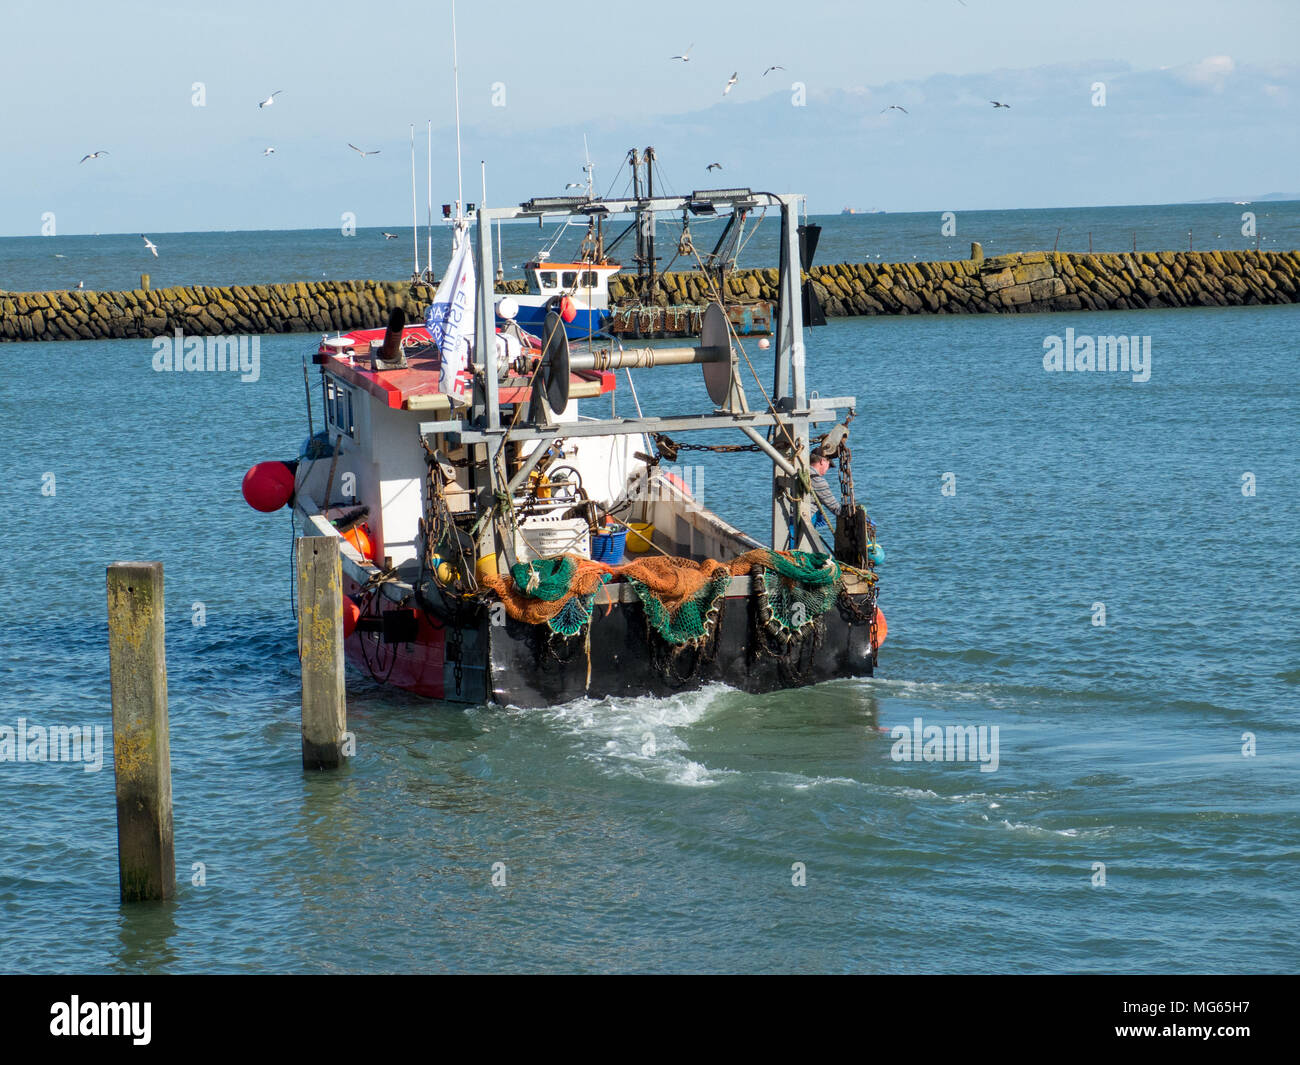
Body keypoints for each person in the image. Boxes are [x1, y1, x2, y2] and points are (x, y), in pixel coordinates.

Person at [810, 446, 841, 528]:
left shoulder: (799, 473)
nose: (828, 469)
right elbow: (835, 508)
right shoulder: (817, 481)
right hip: (803, 522)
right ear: (822, 461)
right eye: (829, 465)